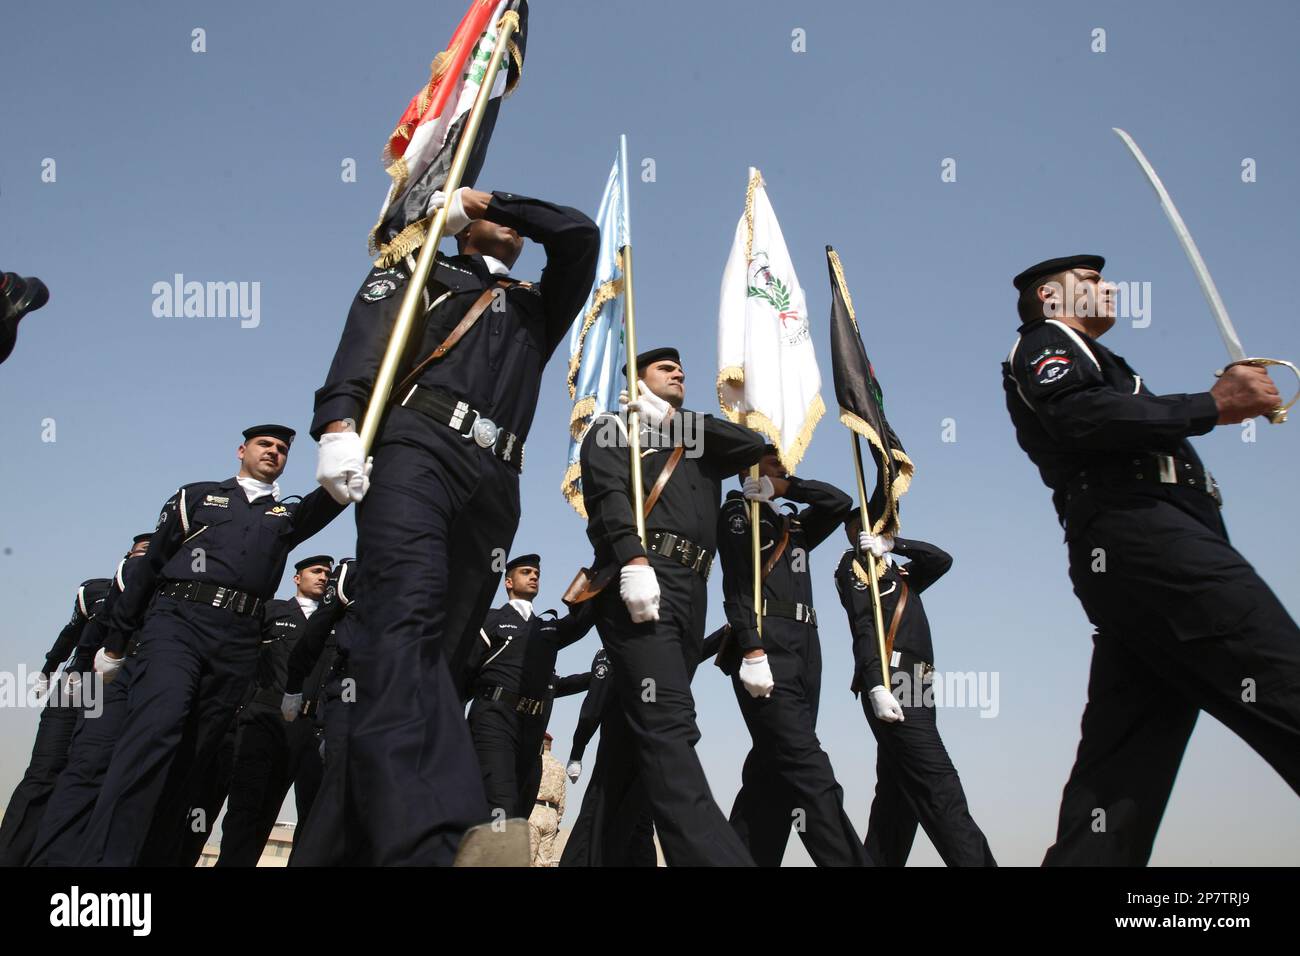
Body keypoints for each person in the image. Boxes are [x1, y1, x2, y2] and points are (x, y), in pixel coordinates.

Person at [310, 186, 598, 865]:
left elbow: (580, 234)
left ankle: (334, 848)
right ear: (461, 232)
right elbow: (366, 338)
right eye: (488, 218)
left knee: (431, 659)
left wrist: (490, 196)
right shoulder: (420, 275)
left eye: (513, 223)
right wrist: (339, 420)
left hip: (497, 483)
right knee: (404, 618)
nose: (507, 227)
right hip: (418, 446)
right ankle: (439, 835)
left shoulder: (538, 304)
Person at [1002, 254, 1299, 865]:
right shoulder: (1044, 342)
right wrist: (1210, 404)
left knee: (1125, 763)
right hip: (1144, 542)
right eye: (1087, 282)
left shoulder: (1107, 362)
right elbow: (1079, 416)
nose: (1107, 288)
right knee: (1279, 672)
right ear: (1048, 299)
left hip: (1142, 552)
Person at [76, 424, 345, 865]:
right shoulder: (197, 496)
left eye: (281, 449)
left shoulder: (285, 516)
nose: (273, 452)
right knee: (155, 731)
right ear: (241, 450)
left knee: (193, 758)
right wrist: (117, 642)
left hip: (237, 636)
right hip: (177, 622)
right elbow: (151, 567)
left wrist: (348, 460)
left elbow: (333, 494)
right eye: (264, 444)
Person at [575, 346, 767, 866]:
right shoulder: (614, 429)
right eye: (664, 368)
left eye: (682, 368)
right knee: (670, 728)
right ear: (637, 380)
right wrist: (632, 556)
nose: (679, 372)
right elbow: (609, 496)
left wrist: (676, 421)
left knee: (629, 753)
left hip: (693, 590)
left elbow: (754, 442)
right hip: (642, 579)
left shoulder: (694, 437)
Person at [714, 448, 868, 866]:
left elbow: (838, 503)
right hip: (768, 646)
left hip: (806, 651)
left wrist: (786, 487)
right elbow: (737, 586)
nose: (784, 466)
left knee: (770, 778)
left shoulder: (790, 520)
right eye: (772, 463)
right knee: (808, 769)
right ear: (749, 467)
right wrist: (752, 647)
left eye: (786, 463)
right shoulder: (737, 513)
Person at [834, 518, 995, 866]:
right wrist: (875, 683)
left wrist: (895, 544)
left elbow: (941, 560)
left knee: (897, 803)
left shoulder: (898, 573)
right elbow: (864, 627)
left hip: (921, 687)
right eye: (858, 526)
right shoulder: (855, 568)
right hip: (893, 684)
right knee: (941, 788)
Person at [0, 534, 145, 865]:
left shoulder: (159, 592)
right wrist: (49, 669)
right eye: (140, 549)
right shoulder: (95, 590)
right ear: (127, 555)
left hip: (115, 687)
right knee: (43, 772)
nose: (144, 555)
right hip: (78, 682)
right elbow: (72, 633)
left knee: (84, 771)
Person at [216, 555, 333, 866]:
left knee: (306, 816)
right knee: (247, 807)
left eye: (327, 574)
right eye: (315, 571)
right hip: (265, 717)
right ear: (297, 578)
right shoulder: (273, 611)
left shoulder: (334, 623)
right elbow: (241, 657)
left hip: (311, 727)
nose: (322, 577)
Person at [469, 554, 594, 820]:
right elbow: (465, 670)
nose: (534, 576)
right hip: (494, 721)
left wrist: (603, 567)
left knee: (519, 815)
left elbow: (583, 620)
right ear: (508, 582)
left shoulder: (547, 627)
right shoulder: (491, 620)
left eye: (536, 573)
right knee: (499, 806)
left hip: (531, 731)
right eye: (526, 572)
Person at [528, 734, 567, 866]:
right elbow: (562, 799)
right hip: (551, 816)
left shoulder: (534, 761)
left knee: (526, 858)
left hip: (533, 811)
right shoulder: (560, 766)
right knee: (544, 863)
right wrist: (557, 819)